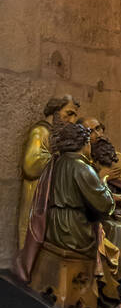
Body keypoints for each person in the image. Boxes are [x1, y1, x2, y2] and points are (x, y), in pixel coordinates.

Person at [18, 119, 116, 308]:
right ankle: (104, 298)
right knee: (106, 249)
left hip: (54, 228)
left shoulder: (57, 162)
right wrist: (104, 180)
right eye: (89, 143)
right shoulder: (82, 167)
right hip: (73, 232)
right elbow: (105, 205)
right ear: (84, 143)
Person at [17, 94, 79, 249]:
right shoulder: (40, 132)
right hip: (36, 194)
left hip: (50, 195)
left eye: (75, 116)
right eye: (69, 113)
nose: (72, 121)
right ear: (55, 111)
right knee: (32, 237)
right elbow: (30, 165)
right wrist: (57, 157)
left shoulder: (57, 135)